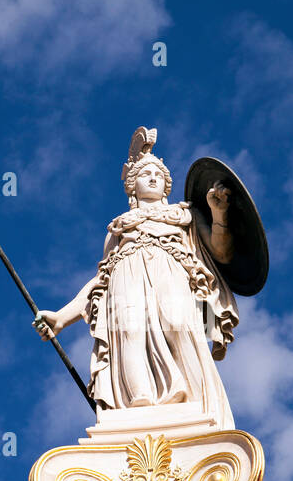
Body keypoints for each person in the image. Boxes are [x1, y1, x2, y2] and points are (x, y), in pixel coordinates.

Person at [34, 127, 239, 429]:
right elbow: (101, 280)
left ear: (167, 184)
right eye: (146, 174)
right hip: (127, 278)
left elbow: (221, 253)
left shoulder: (185, 217)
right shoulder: (119, 228)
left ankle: (198, 404)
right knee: (129, 332)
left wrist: (219, 214)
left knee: (180, 327)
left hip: (172, 274)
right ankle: (139, 399)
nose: (154, 177)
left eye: (159, 173)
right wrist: (62, 318)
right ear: (132, 186)